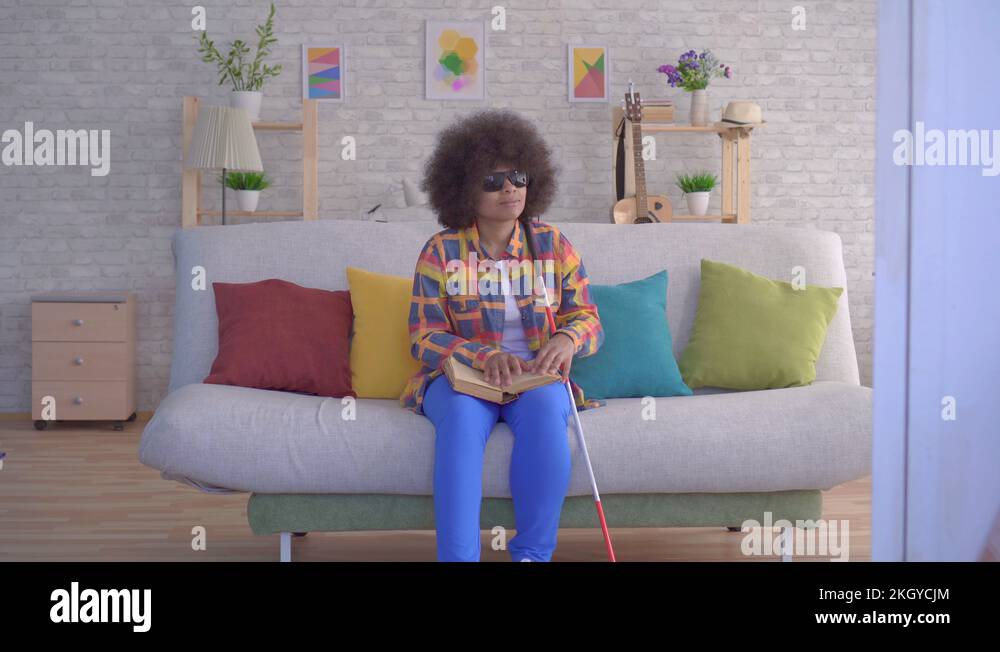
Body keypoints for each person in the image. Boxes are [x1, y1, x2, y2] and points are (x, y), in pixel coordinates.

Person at [399, 108, 605, 562]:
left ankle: (531, 555)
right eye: (492, 181)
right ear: (462, 190)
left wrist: (568, 340)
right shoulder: (440, 250)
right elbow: (423, 335)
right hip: (462, 379)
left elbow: (588, 318)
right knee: (460, 426)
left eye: (516, 176)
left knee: (549, 415)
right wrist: (480, 355)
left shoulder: (552, 244)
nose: (509, 188)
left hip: (533, 375)